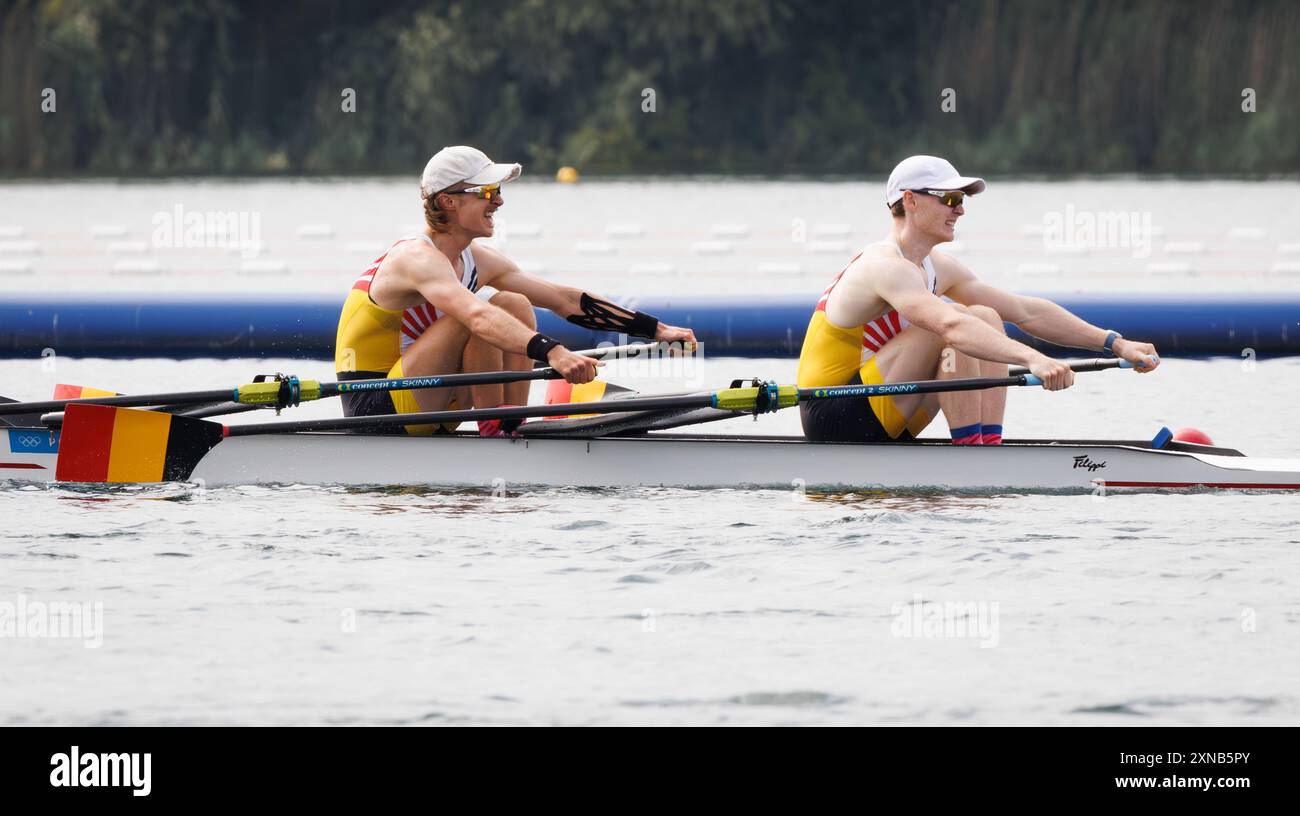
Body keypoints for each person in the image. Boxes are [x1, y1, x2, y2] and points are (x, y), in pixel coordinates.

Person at [796, 155, 1159, 445]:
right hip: (832, 416)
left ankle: (983, 446)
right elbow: (950, 326)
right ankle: (973, 457)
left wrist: (1115, 343)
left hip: (887, 405)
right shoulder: (883, 266)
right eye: (950, 199)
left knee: (985, 314)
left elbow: (1026, 312)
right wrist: (1032, 357)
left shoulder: (936, 267)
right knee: (953, 324)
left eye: (962, 200)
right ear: (910, 201)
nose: (961, 210)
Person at [335, 145, 696, 435]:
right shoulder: (415, 257)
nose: (499, 201)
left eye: (499, 191)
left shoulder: (477, 259)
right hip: (375, 407)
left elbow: (564, 300)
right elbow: (476, 316)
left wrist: (657, 329)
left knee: (514, 302)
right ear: (449, 201)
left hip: (427, 399)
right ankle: (495, 426)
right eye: (488, 192)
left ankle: (510, 423)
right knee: (478, 311)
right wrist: (554, 353)